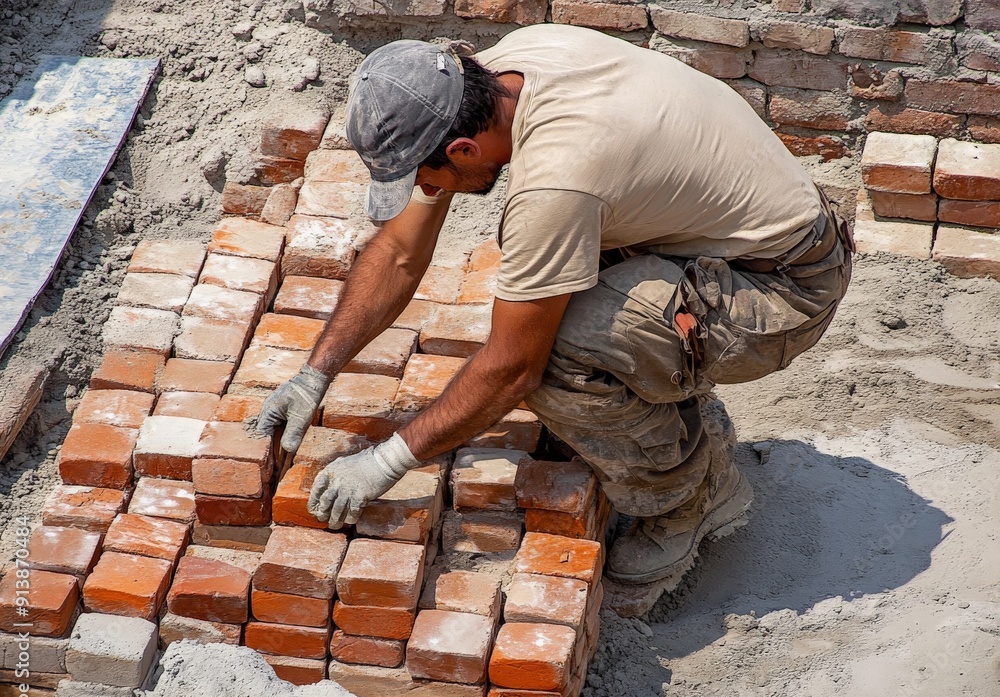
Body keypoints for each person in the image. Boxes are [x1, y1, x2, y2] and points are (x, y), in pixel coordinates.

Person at [256, 23, 853, 600]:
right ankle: (670, 404)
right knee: (541, 273)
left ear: (462, 148)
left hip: (783, 289)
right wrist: (317, 371)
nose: (426, 190)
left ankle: (691, 500)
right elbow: (398, 253)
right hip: (729, 238)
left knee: (557, 351)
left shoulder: (556, 183)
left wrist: (388, 460)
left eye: (426, 177)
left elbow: (513, 369)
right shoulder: (507, 66)